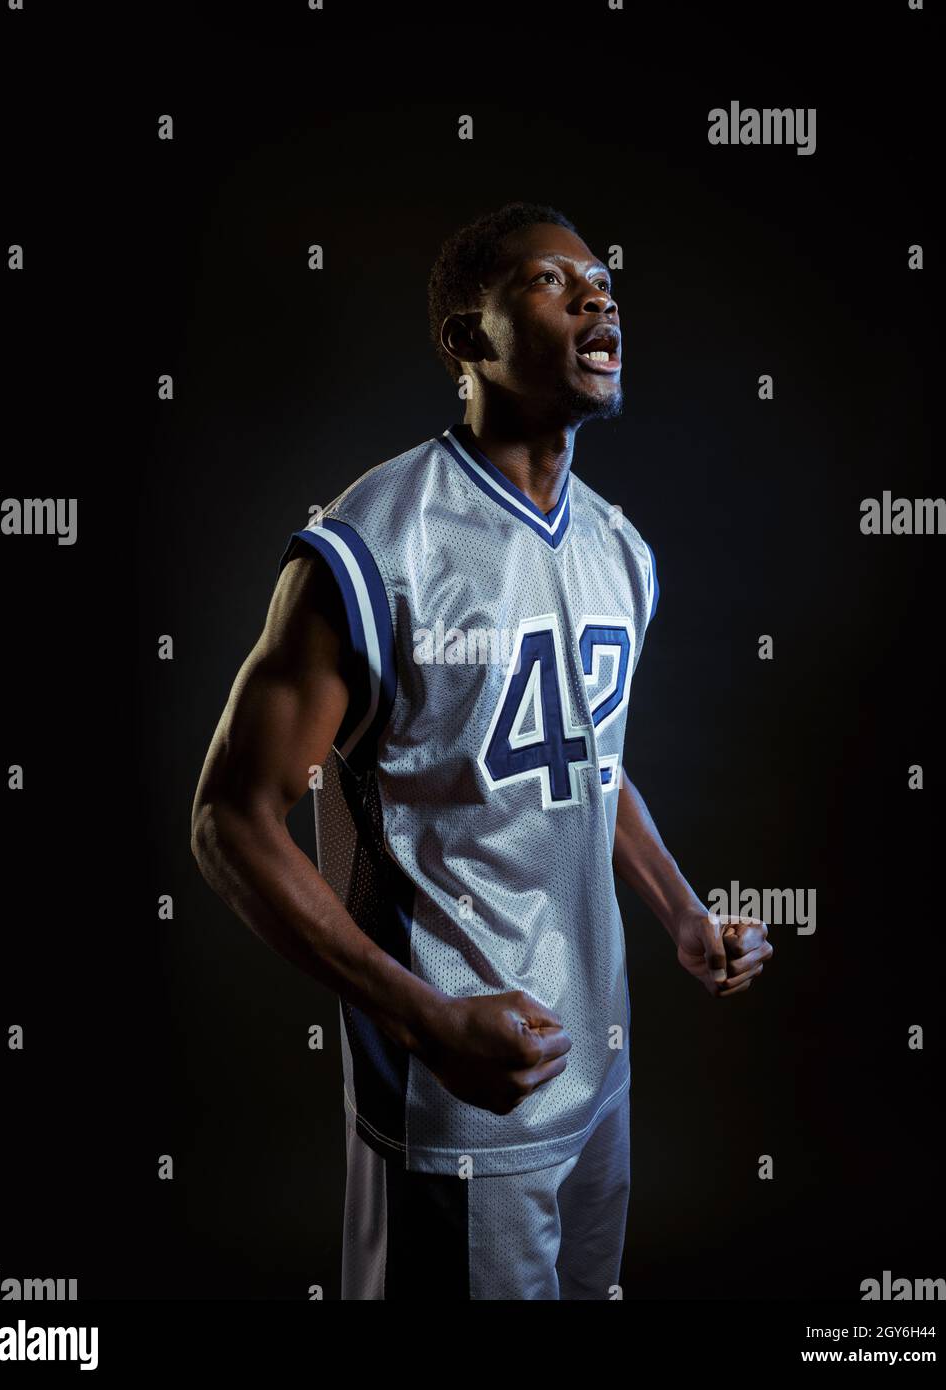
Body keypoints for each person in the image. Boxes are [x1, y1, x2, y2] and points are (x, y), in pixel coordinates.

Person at [191, 201, 773, 1300]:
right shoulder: (375, 545)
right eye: (556, 283)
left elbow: (583, 760)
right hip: (458, 1083)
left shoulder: (619, 548)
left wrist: (686, 915)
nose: (598, 294)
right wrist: (424, 1017)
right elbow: (230, 817)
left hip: (598, 1063)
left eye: (602, 277)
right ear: (468, 340)